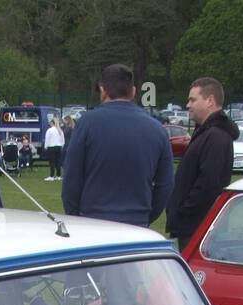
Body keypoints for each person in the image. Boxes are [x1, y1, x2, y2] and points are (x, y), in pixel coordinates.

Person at [61, 64, 173, 228]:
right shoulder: (157, 129)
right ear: (133, 91)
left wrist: (75, 215)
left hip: (93, 222)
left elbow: (71, 177)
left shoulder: (86, 124)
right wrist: (146, 216)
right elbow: (166, 184)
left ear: (103, 90)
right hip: (137, 223)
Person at [165, 76, 238, 250]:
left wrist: (184, 211)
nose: (188, 105)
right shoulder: (205, 133)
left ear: (210, 101)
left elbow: (208, 184)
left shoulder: (216, 137)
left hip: (199, 229)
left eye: (193, 99)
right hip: (192, 228)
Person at [44, 116, 64, 181]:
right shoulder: (60, 130)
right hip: (59, 147)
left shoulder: (49, 130)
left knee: (52, 162)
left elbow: (47, 139)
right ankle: (58, 176)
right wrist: (61, 146)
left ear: (52, 123)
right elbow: (62, 140)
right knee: (58, 162)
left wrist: (46, 146)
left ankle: (52, 176)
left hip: (51, 147)